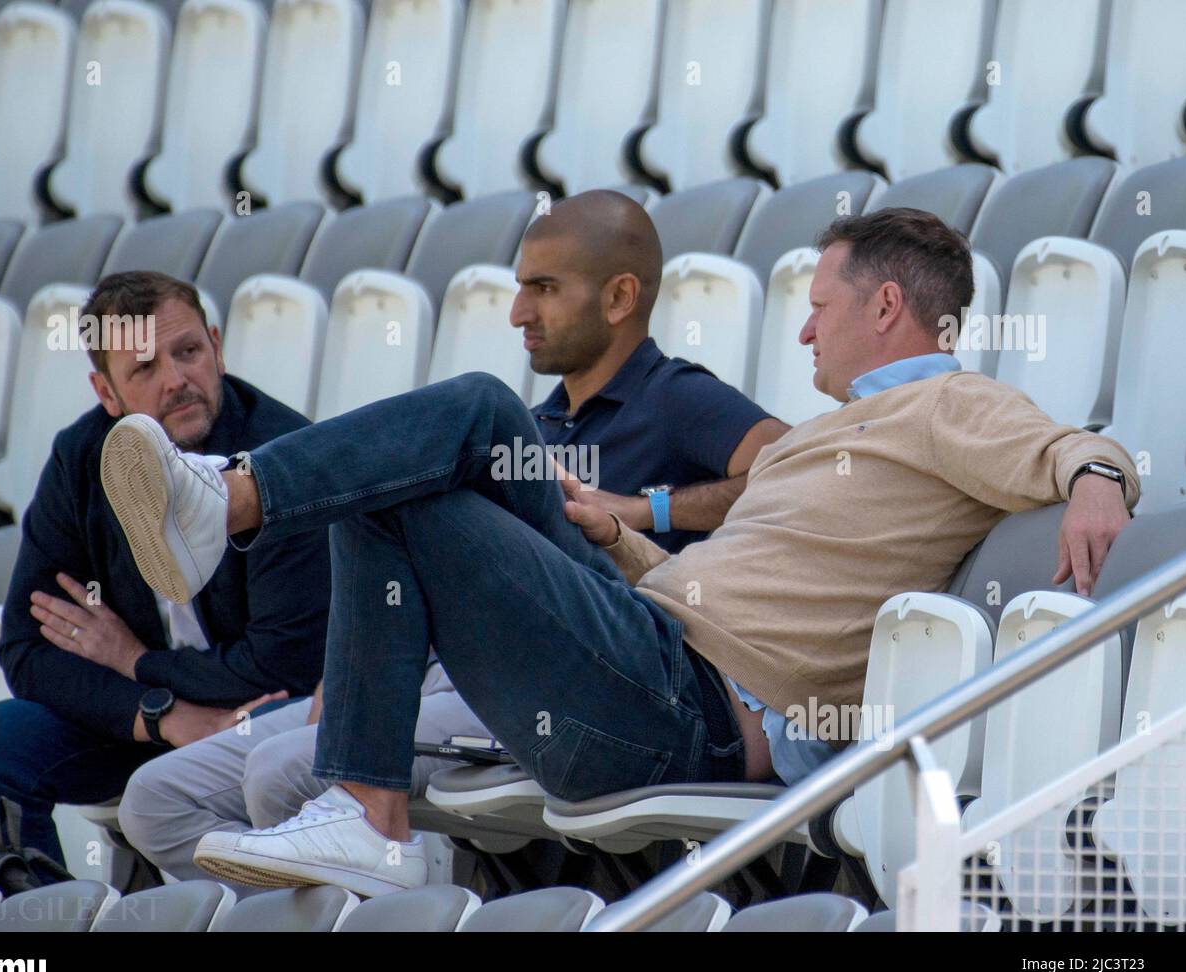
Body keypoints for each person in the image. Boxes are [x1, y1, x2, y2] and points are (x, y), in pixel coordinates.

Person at [100, 209, 1139, 897]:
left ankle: (232, 499)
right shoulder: (821, 437)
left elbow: (1062, 446)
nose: (806, 336)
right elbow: (732, 582)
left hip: (684, 707)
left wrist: (1099, 479)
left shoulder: (945, 400)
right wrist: (622, 539)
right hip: (648, 639)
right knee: (409, 466)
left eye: (819, 310)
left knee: (470, 411)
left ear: (884, 305)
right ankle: (366, 806)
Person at [115, 190, 788, 887]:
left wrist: (639, 510)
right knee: (160, 797)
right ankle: (227, 507)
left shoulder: (675, 395)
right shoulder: (543, 419)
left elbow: (790, 474)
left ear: (619, 299)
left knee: (284, 769)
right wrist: (347, 668)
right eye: (520, 288)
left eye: (543, 289)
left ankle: (227, 500)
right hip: (471, 657)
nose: (518, 312)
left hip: (601, 658)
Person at [0, 271, 332, 866]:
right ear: (107, 393)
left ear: (218, 347)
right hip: (150, 722)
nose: (177, 381)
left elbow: (281, 662)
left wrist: (134, 661)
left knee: (268, 741)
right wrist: (164, 717)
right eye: (145, 369)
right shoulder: (80, 459)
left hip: (265, 717)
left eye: (189, 352)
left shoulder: (284, 454)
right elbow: (27, 652)